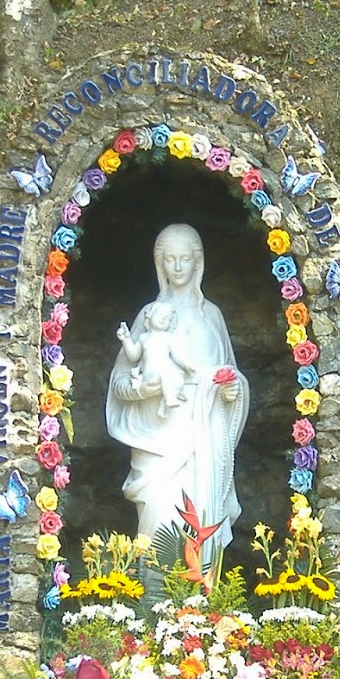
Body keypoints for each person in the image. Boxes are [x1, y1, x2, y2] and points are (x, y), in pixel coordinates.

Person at [106, 223, 249, 554]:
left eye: (185, 258)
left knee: (202, 525)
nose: (178, 267)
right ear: (160, 264)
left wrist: (230, 391)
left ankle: (204, 589)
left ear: (198, 262)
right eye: (170, 259)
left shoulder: (211, 316)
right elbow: (120, 381)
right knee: (158, 514)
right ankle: (155, 591)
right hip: (157, 437)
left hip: (202, 438)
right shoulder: (149, 316)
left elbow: (232, 376)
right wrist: (145, 390)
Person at [115, 302, 196, 416]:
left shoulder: (167, 337)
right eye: (160, 314)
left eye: (168, 318)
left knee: (168, 375)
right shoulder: (143, 337)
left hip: (163, 371)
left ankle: (170, 399)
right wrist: (126, 339)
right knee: (164, 375)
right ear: (150, 315)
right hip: (149, 374)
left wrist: (187, 365)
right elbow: (133, 356)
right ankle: (170, 399)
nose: (163, 319)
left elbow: (177, 356)